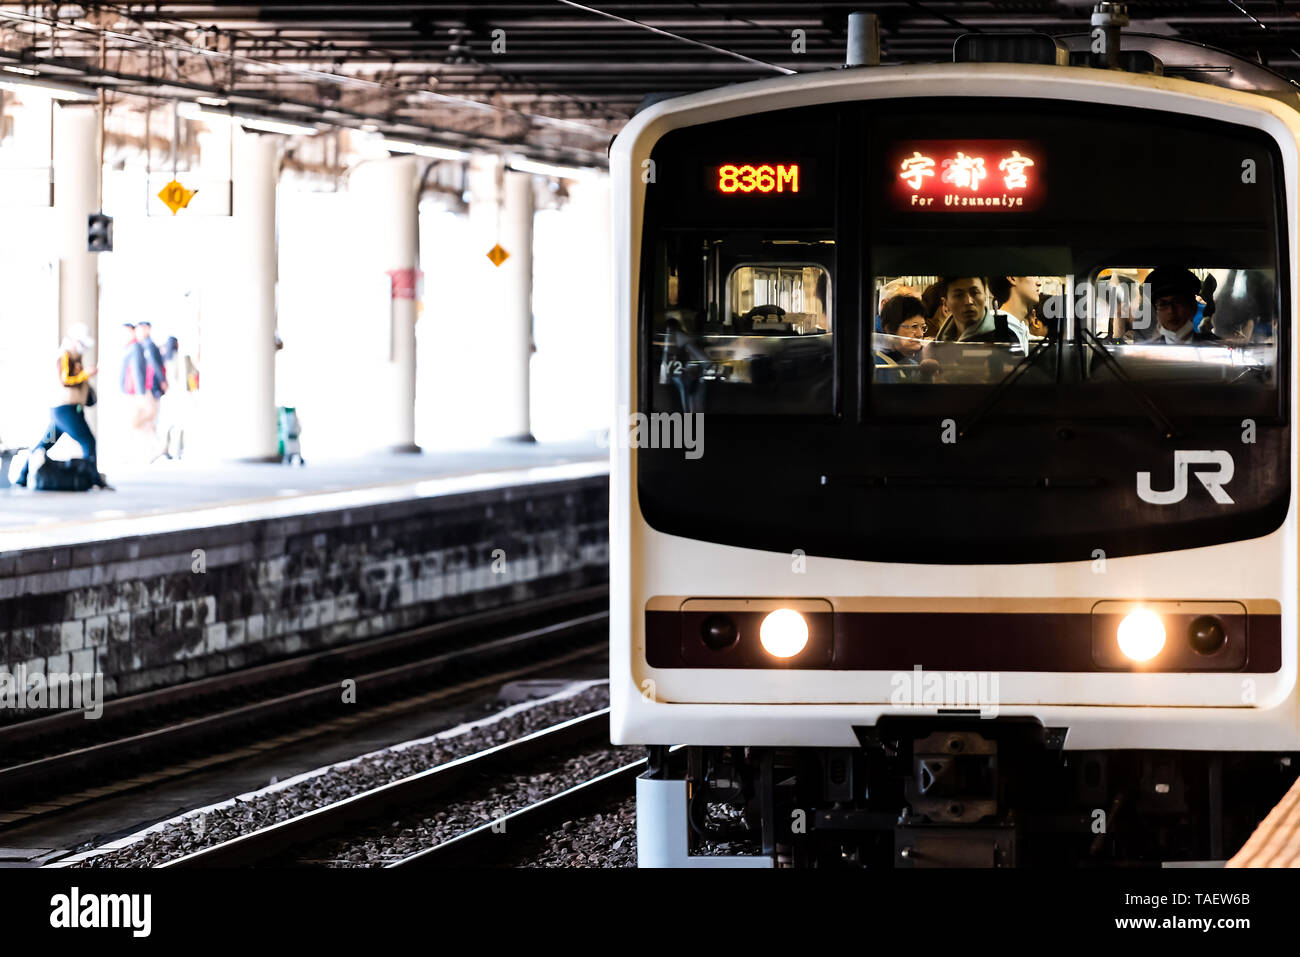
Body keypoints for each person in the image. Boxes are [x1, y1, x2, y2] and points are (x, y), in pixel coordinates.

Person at [16, 327, 108, 489]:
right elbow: (66, 380)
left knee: (45, 444)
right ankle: (93, 478)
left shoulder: (75, 359)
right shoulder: (64, 356)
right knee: (88, 442)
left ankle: (22, 477)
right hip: (66, 411)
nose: (82, 348)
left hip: (61, 415)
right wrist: (86, 374)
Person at [933, 276, 1030, 353]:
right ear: (945, 303)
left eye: (974, 292)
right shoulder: (938, 344)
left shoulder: (1004, 338)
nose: (968, 301)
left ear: (985, 296)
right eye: (959, 295)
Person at [1144, 266, 1221, 344]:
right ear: (1156, 312)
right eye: (1163, 304)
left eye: (1177, 302)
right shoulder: (1145, 351)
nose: (1171, 310)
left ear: (1193, 308)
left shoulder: (1217, 348)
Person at [876, 295, 928, 368]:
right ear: (890, 329)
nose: (920, 334)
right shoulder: (878, 366)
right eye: (914, 327)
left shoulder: (913, 365)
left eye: (923, 327)